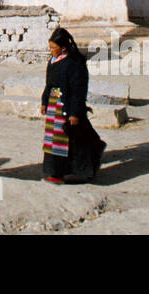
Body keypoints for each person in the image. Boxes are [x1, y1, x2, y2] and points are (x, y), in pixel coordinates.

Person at [40, 27, 106, 184]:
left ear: (63, 48)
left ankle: (67, 172)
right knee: (54, 140)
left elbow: (78, 90)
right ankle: (55, 172)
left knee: (71, 141)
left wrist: (75, 113)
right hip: (54, 107)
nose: (51, 51)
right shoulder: (53, 62)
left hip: (69, 107)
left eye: (53, 48)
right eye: (50, 47)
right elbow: (49, 84)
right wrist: (44, 102)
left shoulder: (74, 63)